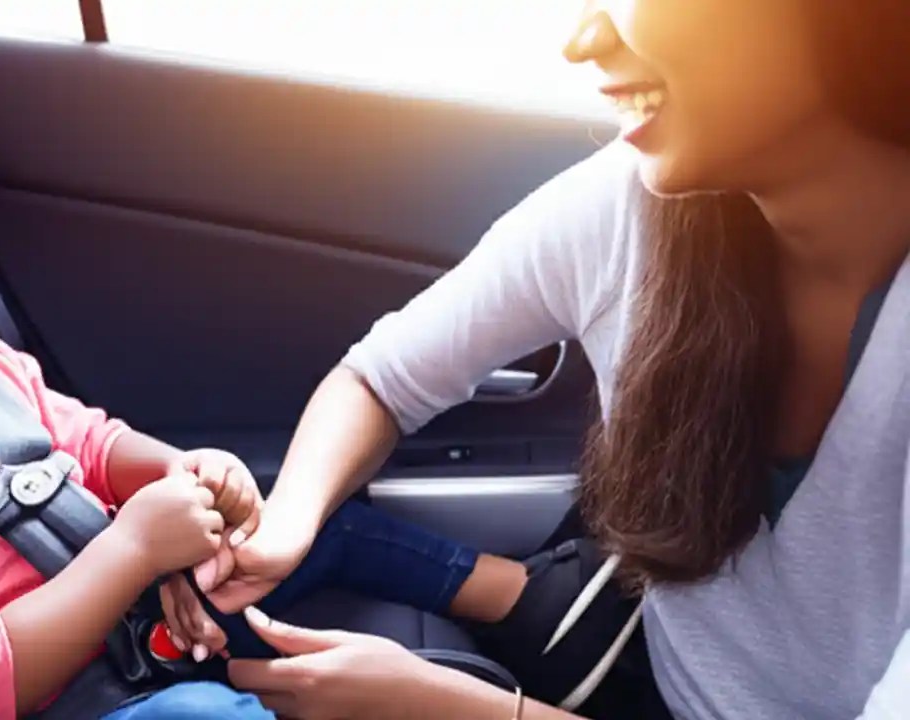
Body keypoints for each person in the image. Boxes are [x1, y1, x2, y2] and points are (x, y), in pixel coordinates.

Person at [0, 71, 623, 720]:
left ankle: (521, 597)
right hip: (85, 701)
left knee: (301, 513)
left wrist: (184, 476)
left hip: (142, 610)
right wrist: (133, 550)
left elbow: (89, 445)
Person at [168, 2, 910, 718]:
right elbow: (379, 379)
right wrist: (290, 523)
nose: (583, 39)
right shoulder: (633, 206)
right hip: (645, 649)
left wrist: (455, 710)